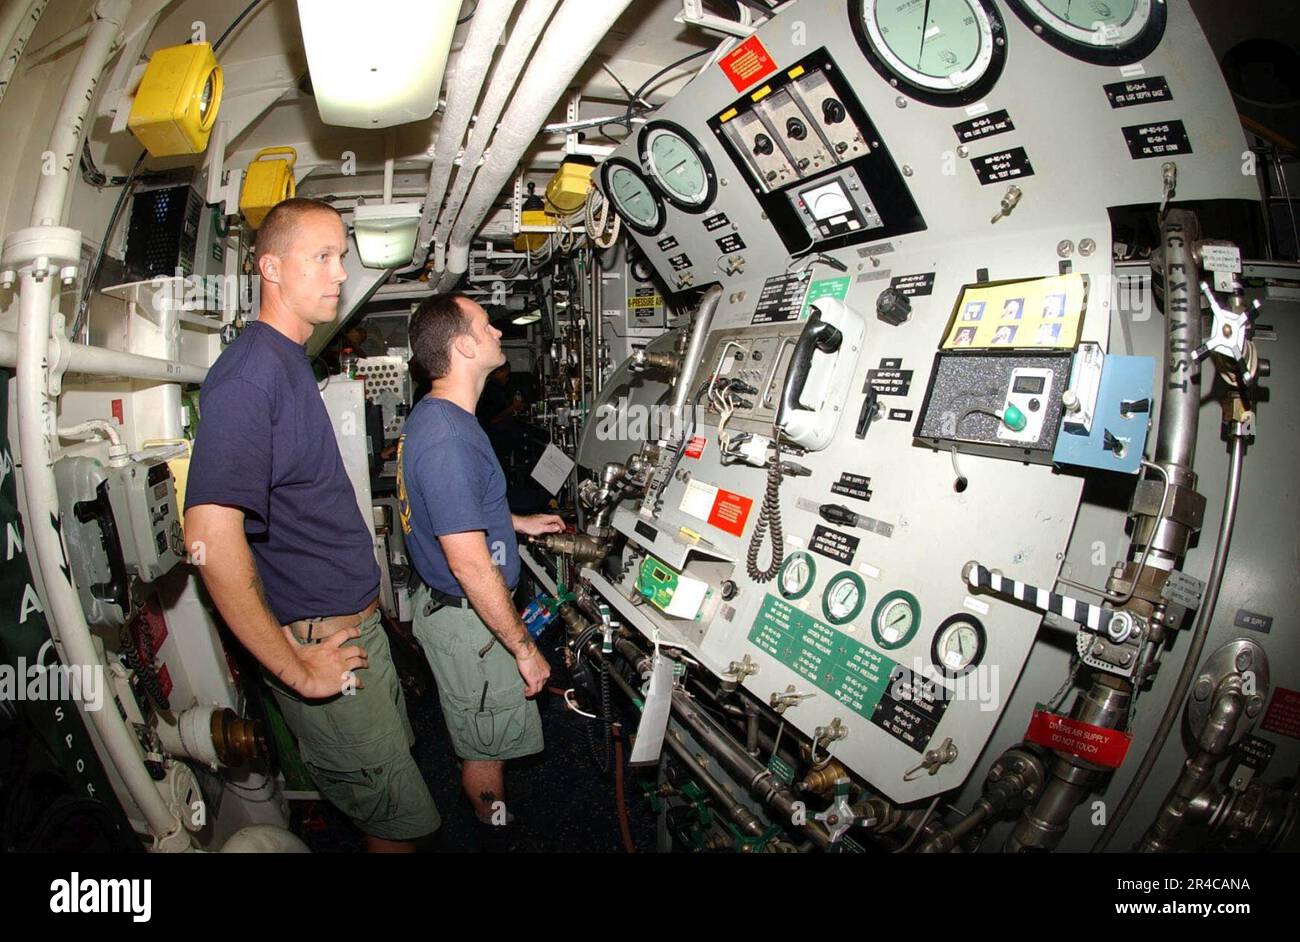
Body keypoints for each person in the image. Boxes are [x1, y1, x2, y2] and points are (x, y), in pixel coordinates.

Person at [184, 198, 440, 853]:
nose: (339, 274)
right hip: (319, 645)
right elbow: (210, 542)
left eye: (341, 258)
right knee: (393, 824)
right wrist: (298, 673)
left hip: (351, 628)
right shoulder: (248, 376)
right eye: (321, 257)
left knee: (390, 783)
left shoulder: (290, 359)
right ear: (271, 267)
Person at [397, 293, 564, 837]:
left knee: (484, 732)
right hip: (473, 624)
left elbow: (452, 512)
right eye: (488, 327)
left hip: (454, 610)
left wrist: (514, 522)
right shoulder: (449, 437)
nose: (498, 334)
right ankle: (496, 830)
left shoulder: (436, 415)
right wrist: (524, 648)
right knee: (485, 748)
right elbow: (469, 563)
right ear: (465, 345)